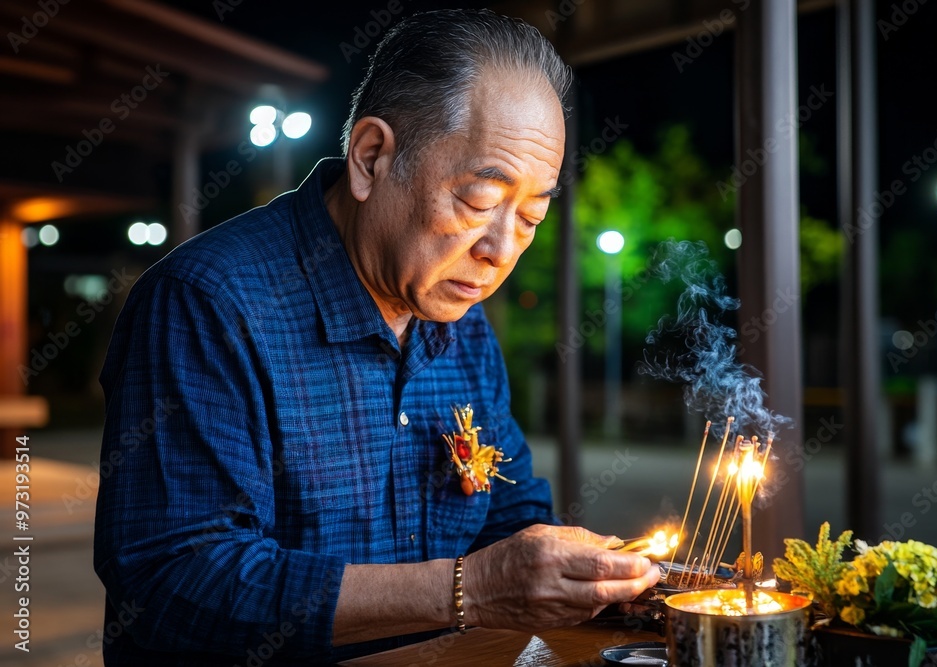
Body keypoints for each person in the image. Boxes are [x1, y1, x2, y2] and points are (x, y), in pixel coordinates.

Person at [94, 8, 659, 665]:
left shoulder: (462, 325)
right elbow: (173, 583)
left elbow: (509, 519)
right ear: (370, 158)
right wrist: (466, 589)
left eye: (531, 216)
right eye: (478, 202)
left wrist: (597, 577)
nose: (502, 250)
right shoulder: (209, 304)